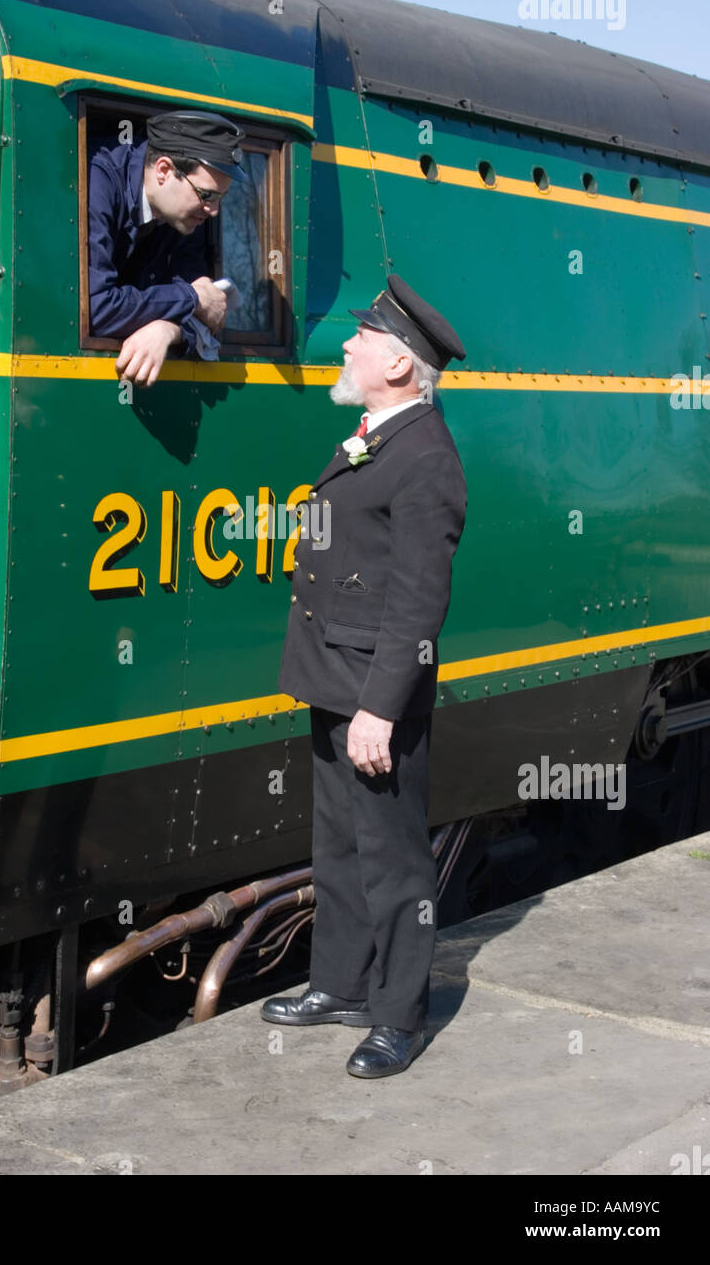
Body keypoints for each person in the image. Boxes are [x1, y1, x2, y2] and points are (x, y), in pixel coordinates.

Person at [262, 275, 467, 1078]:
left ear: (401, 363)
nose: (346, 345)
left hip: (376, 690)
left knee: (394, 861)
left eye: (362, 338)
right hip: (333, 673)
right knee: (340, 845)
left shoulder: (425, 460)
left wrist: (382, 709)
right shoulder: (379, 433)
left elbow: (420, 601)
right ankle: (339, 985)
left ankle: (399, 1017)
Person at [87, 109, 246, 386]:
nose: (214, 211)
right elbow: (95, 308)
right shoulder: (97, 183)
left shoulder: (186, 216)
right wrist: (190, 299)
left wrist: (168, 330)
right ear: (163, 170)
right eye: (207, 195)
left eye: (222, 199)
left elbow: (206, 311)